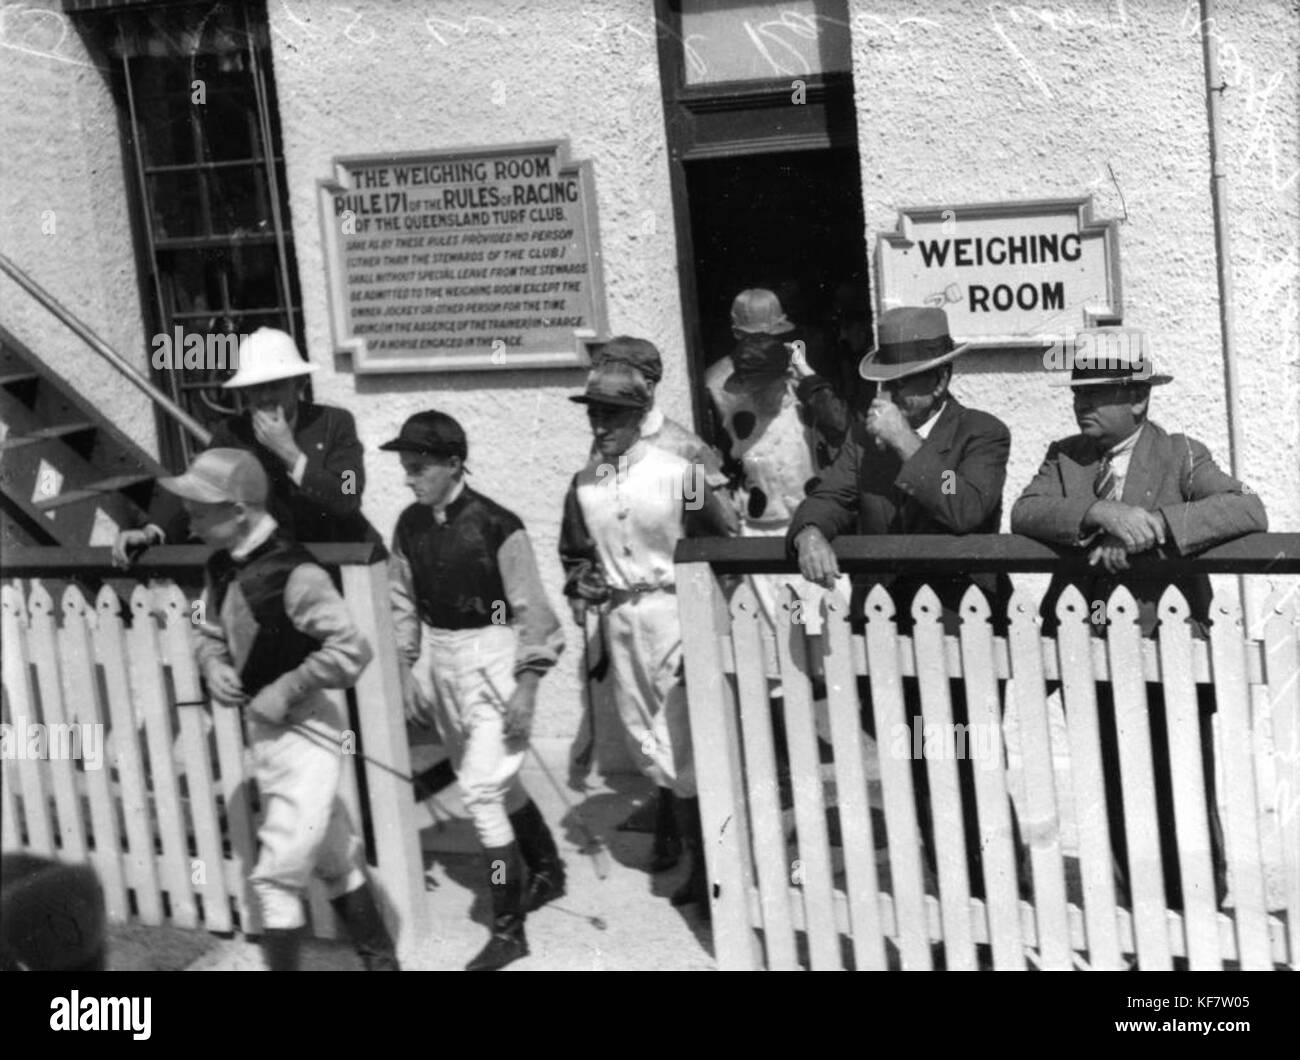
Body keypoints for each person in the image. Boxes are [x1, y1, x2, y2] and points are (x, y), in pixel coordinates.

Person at [1011, 327, 1267, 910]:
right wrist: (1101, 511)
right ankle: (1142, 916)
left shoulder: (1179, 453)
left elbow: (1246, 507)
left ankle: (1196, 912)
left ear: (1138, 399)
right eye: (1079, 392)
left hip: (1168, 652)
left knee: (1183, 789)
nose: (1083, 403)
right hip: (1090, 652)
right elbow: (1025, 513)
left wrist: (1153, 530)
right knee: (1116, 791)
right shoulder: (1065, 457)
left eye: (1099, 393)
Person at [788, 305, 1015, 904]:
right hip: (890, 639)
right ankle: (949, 906)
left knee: (969, 775)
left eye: (904, 380)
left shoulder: (982, 432)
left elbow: (966, 505)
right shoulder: (867, 439)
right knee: (917, 775)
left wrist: (905, 442)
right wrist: (810, 532)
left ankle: (997, 901)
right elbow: (830, 497)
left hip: (960, 640)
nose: (888, 392)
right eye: (884, 379)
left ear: (940, 380)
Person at [175, 448, 397, 971]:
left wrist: (287, 688)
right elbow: (206, 634)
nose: (189, 519)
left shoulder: (295, 572)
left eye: (200, 509)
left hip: (306, 733)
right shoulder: (219, 566)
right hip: (267, 734)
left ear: (238, 511)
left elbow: (350, 652)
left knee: (275, 878)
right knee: (335, 858)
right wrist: (213, 666)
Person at [384, 411, 566, 972]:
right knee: (492, 782)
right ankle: (547, 869)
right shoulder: (408, 526)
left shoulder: (497, 524)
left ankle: (508, 929)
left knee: (481, 793)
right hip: (443, 662)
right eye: (406, 468)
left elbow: (532, 608)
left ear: (454, 463)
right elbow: (401, 603)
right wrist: (403, 668)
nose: (409, 478)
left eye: (419, 468)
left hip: (494, 657)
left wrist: (528, 686)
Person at [560, 362, 737, 912]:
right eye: (594, 413)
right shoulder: (584, 485)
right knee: (649, 747)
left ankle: (714, 874)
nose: (601, 425)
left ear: (640, 416)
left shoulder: (675, 473)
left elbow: (722, 539)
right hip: (622, 619)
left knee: (684, 746)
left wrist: (713, 620)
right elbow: (575, 554)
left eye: (613, 414)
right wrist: (582, 580)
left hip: (675, 613)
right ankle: (695, 862)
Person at [112, 327, 380, 565]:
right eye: (254, 388)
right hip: (278, 569)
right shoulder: (232, 434)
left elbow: (348, 492)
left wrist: (290, 454)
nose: (264, 396)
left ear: (298, 383)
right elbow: (199, 487)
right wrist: (153, 531)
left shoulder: (335, 423)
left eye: (274, 385)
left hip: (347, 563)